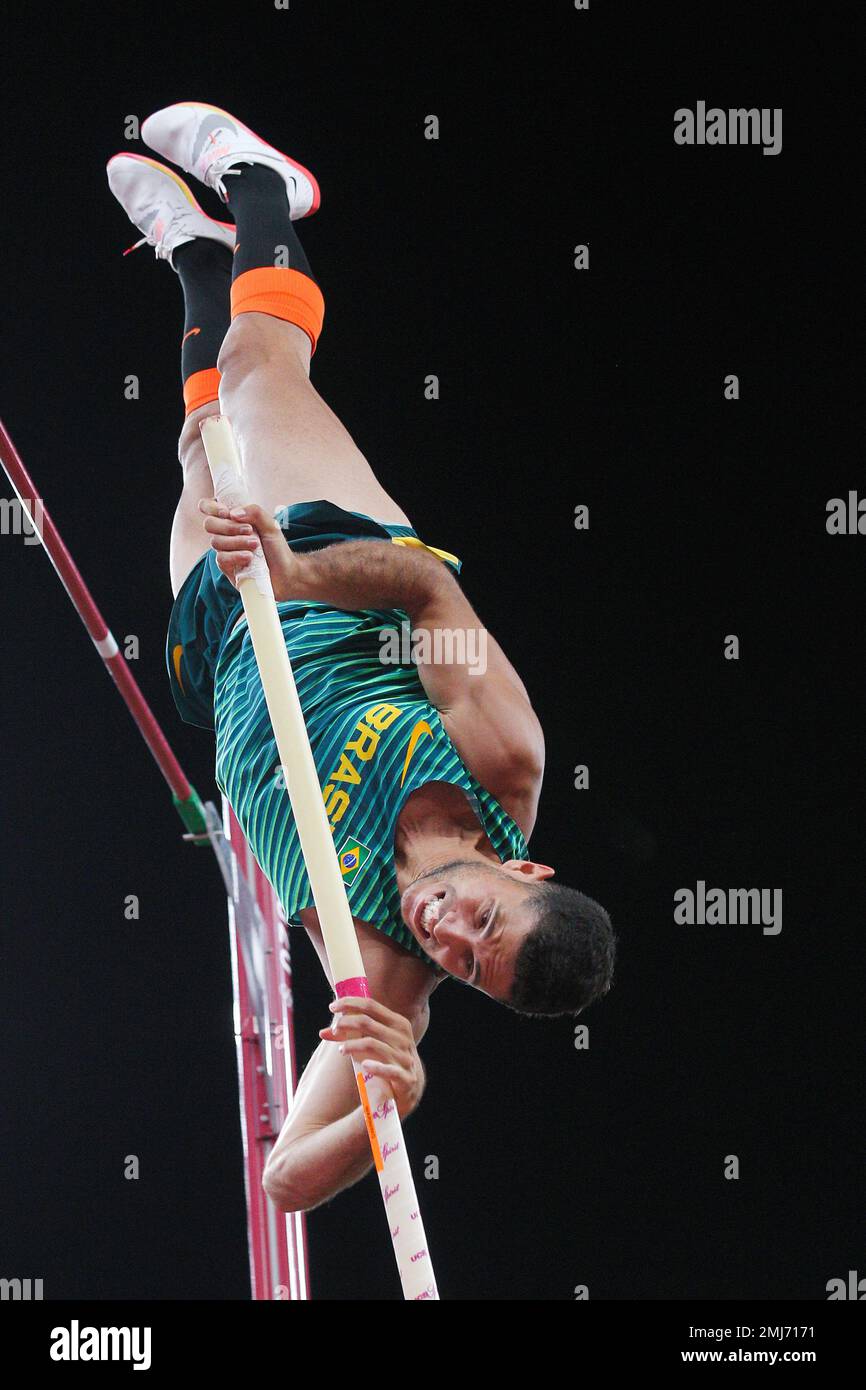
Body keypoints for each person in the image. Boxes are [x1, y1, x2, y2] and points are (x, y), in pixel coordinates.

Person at [107, 102, 615, 1213]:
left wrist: (392, 1107)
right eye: (484, 918)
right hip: (323, 558)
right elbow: (430, 595)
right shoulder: (501, 759)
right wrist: (293, 572)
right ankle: (261, 188)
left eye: (467, 965)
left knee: (198, 438)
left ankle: (196, 256)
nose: (447, 933)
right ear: (524, 870)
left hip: (232, 647)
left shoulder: (385, 981)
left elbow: (285, 1182)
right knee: (257, 368)